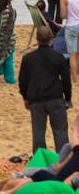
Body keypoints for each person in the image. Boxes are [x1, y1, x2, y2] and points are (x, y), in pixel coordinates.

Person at [19, 24, 72, 152]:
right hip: (55, 97)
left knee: (38, 132)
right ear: (50, 39)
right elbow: (66, 79)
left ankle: (40, 160)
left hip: (36, 99)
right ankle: (62, 160)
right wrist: (68, 98)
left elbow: (23, 81)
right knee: (60, 132)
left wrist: (25, 97)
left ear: (37, 39)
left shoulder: (28, 58)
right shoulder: (58, 57)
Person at [60, 0, 79, 84]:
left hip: (71, 26)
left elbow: (62, 16)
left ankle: (74, 80)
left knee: (72, 54)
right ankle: (77, 76)